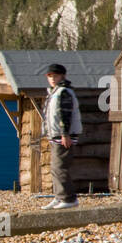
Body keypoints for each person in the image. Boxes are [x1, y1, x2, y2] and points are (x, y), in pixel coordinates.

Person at [42, 63, 81, 209]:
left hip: (64, 136)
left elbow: (65, 114)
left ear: (62, 76)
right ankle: (59, 197)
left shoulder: (64, 92)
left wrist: (65, 134)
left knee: (60, 167)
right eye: (50, 76)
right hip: (56, 135)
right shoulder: (54, 92)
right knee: (55, 168)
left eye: (55, 75)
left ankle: (69, 198)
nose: (52, 78)